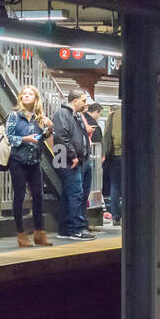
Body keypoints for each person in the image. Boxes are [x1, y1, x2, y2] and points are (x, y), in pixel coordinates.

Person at [6, 85, 53, 247]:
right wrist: (26, 139)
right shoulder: (14, 116)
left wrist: (49, 128)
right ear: (20, 98)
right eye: (24, 94)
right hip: (17, 161)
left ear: (35, 98)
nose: (26, 96)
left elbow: (43, 137)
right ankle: (21, 234)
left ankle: (40, 233)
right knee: (19, 197)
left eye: (30, 94)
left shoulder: (39, 117)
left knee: (38, 196)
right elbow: (10, 138)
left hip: (34, 161)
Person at [52, 88, 95, 240]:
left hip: (78, 160)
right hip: (69, 161)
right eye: (83, 100)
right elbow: (61, 137)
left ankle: (65, 229)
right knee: (76, 194)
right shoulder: (63, 114)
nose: (85, 103)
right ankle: (77, 228)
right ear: (75, 101)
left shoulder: (75, 115)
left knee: (69, 195)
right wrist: (73, 156)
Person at [103, 104, 124, 225]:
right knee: (130, 187)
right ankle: (127, 215)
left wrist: (106, 153)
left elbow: (106, 136)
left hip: (114, 155)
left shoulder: (112, 116)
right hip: (129, 156)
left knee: (115, 186)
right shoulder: (133, 113)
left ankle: (116, 217)